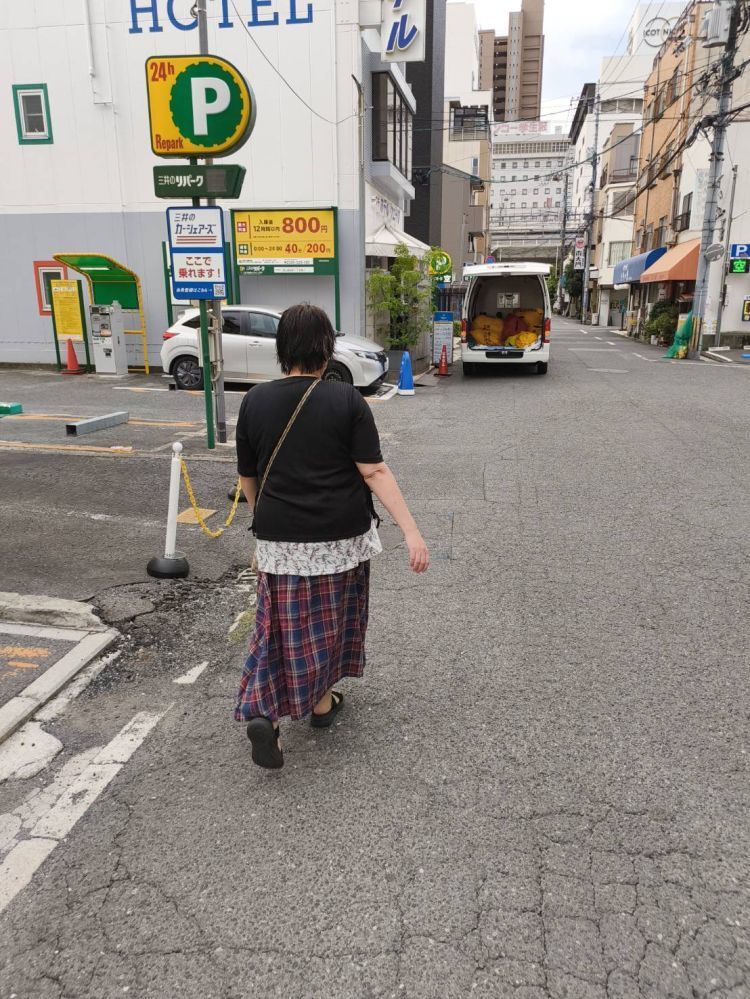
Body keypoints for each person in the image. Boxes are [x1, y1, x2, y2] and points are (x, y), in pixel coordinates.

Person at [234, 303, 429, 769]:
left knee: (275, 628)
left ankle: (269, 712)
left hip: (280, 541)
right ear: (326, 348)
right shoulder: (346, 400)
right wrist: (412, 532)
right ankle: (320, 703)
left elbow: (247, 479)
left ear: (282, 349)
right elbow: (374, 472)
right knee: (329, 625)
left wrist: (264, 528)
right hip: (340, 542)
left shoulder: (254, 401)